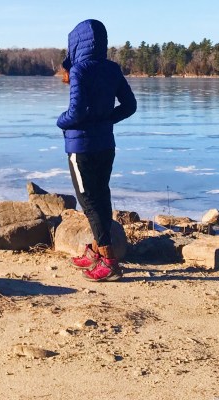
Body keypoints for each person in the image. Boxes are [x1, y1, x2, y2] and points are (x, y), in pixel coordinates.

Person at [56, 18, 137, 281]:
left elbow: (76, 111)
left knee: (89, 201)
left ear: (75, 44)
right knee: (101, 196)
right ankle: (98, 251)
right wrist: (106, 121)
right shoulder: (111, 69)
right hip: (106, 144)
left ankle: (109, 261)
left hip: (82, 146)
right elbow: (129, 106)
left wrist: (61, 121)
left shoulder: (79, 70)